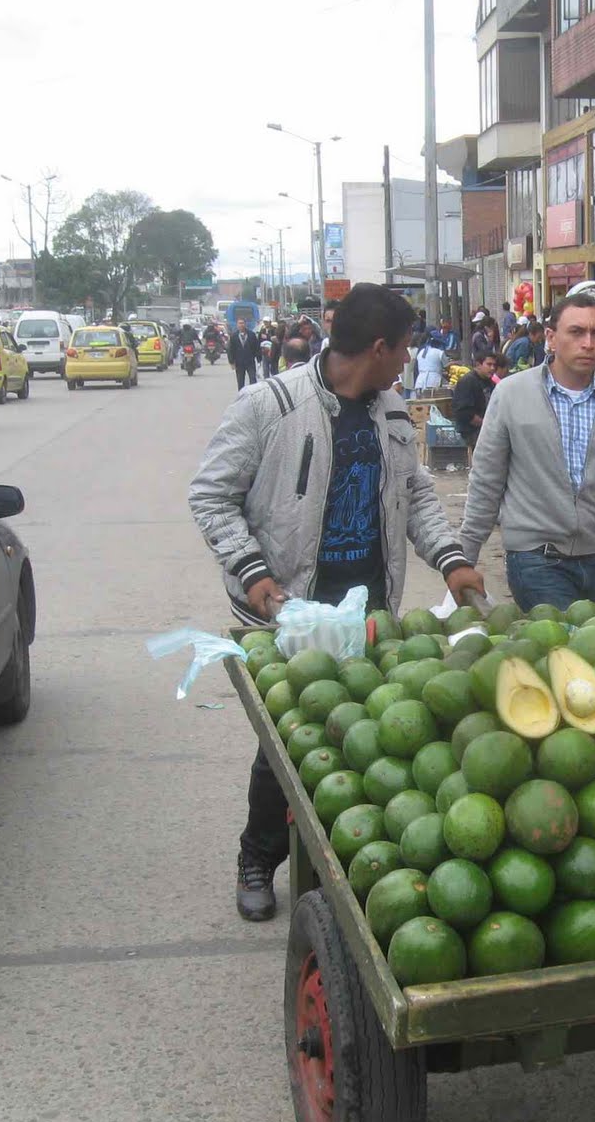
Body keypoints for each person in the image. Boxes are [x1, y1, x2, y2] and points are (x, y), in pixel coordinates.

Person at [188, 283, 485, 920]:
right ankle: (257, 860)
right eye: (404, 349)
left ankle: (342, 871)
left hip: (369, 610)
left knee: (364, 745)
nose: (408, 360)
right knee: (287, 747)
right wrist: (251, 571)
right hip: (289, 615)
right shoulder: (268, 404)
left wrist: (452, 559)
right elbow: (211, 496)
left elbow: (419, 498)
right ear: (378, 348)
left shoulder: (394, 411)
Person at [457, 292, 595, 611]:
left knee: (588, 649)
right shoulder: (511, 395)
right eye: (576, 332)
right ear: (551, 337)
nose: (587, 343)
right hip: (534, 557)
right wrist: (464, 559)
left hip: (592, 558)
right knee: (568, 644)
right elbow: (486, 482)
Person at [454, 350, 500, 464]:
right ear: (478, 364)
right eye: (489, 364)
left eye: (494, 365)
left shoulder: (490, 382)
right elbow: (464, 413)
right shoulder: (468, 381)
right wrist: (486, 425)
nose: (492, 368)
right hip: (472, 430)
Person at [227, 317, 260, 389]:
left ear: (245, 324)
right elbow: (230, 349)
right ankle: (241, 397)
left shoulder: (252, 335)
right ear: (237, 325)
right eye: (239, 323)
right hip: (239, 363)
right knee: (240, 381)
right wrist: (231, 361)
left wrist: (258, 359)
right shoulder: (233, 336)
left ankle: (253, 396)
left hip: (250, 362)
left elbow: (256, 347)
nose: (241, 325)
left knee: (253, 380)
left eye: (242, 323)